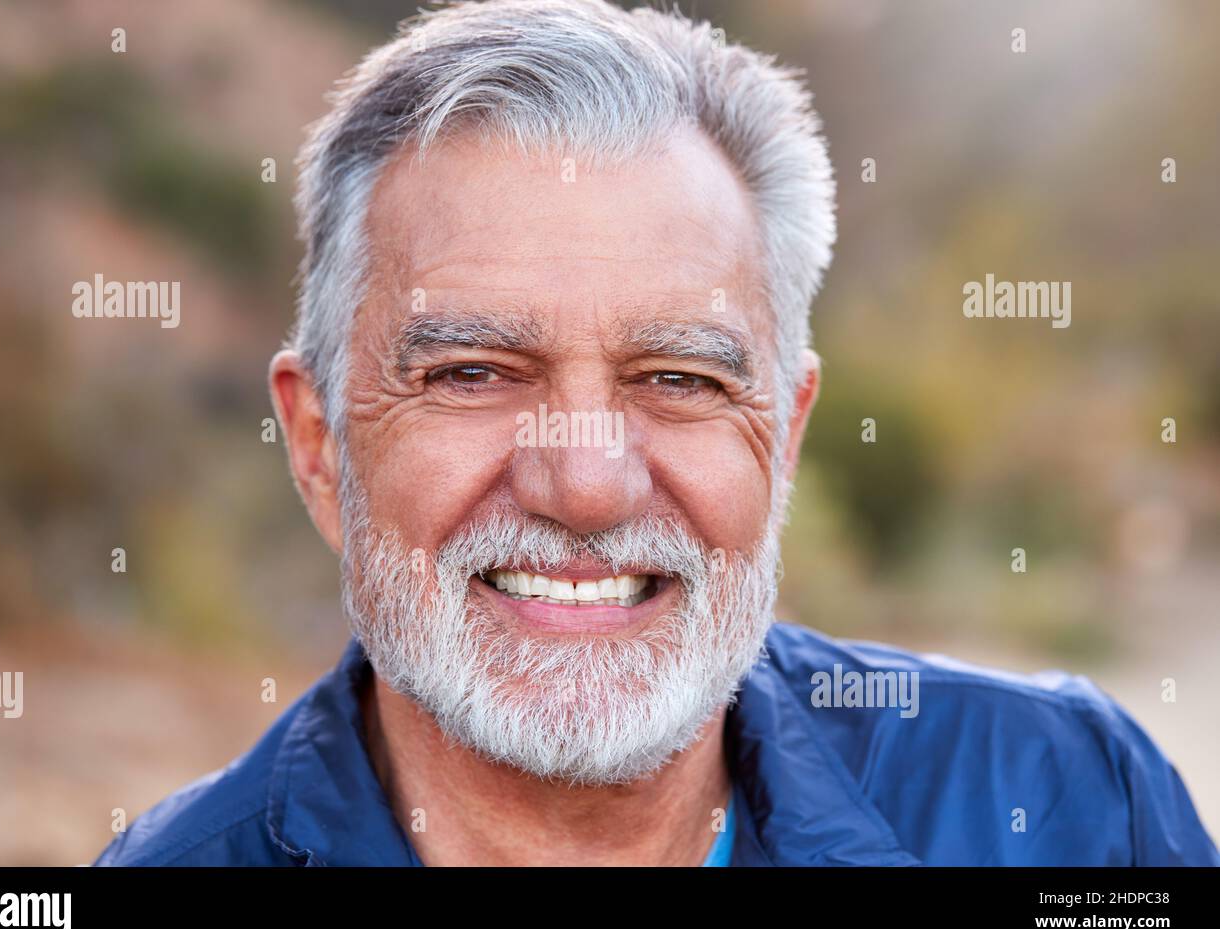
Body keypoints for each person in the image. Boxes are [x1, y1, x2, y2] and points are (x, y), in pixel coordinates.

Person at [95, 0, 1217, 866]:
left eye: (677, 377)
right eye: (474, 371)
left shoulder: (1069, 807)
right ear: (319, 444)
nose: (586, 483)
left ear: (783, 432)